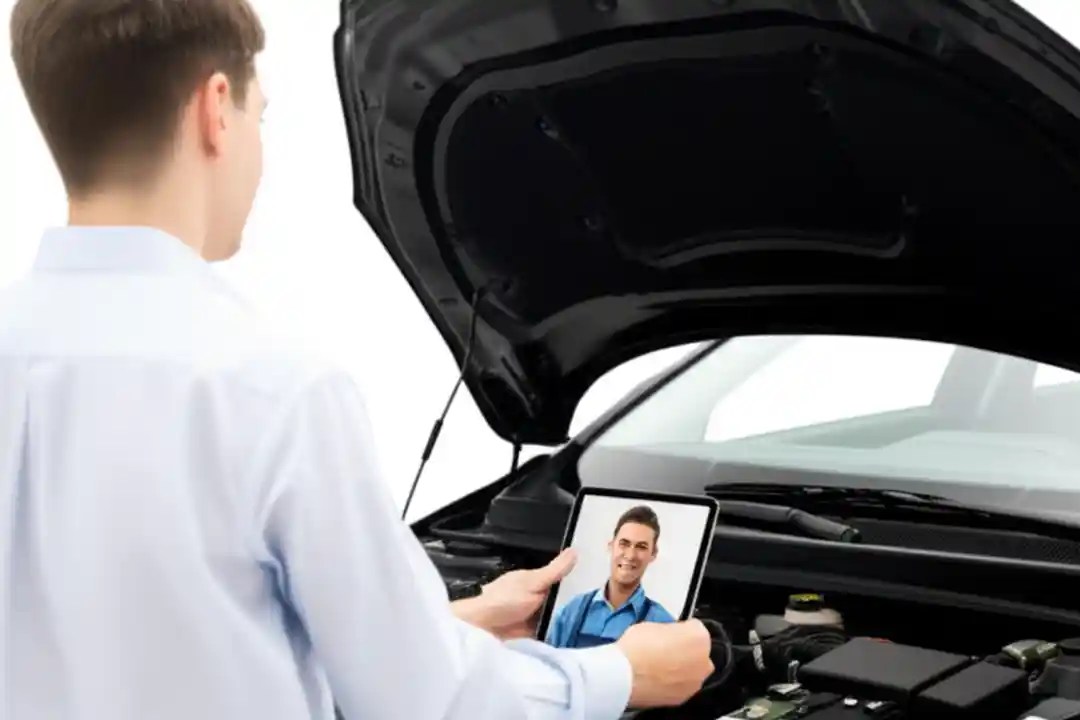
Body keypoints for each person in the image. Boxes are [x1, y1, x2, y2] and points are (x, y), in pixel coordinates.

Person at [0, 1, 712, 719]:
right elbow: (424, 701)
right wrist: (621, 673)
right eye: (261, 115)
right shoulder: (270, 391)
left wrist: (452, 622)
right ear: (216, 110)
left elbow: (147, 642)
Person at [548, 506, 676, 649]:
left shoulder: (664, 626)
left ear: (653, 554)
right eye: (624, 544)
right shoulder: (571, 610)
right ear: (611, 546)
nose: (630, 555)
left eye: (641, 547)